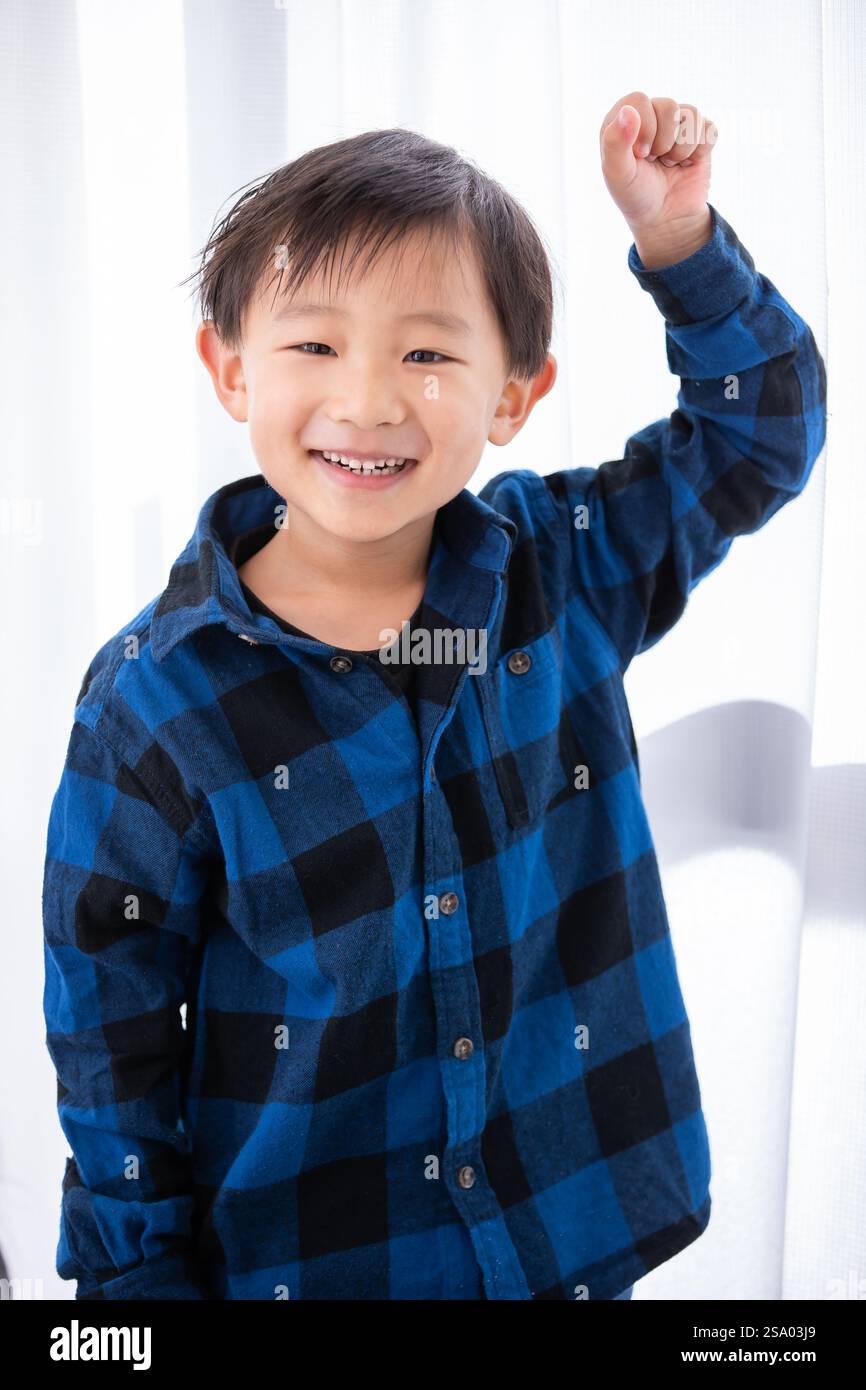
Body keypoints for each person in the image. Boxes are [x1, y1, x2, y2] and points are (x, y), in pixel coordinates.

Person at [41, 98, 826, 1300]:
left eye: (426, 352)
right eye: (312, 346)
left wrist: (677, 239)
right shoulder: (154, 699)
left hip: (571, 1231)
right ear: (228, 367)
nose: (366, 400)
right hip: (318, 1263)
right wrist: (136, 1287)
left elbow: (758, 434)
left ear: (513, 393)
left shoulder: (558, 564)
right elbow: (113, 1035)